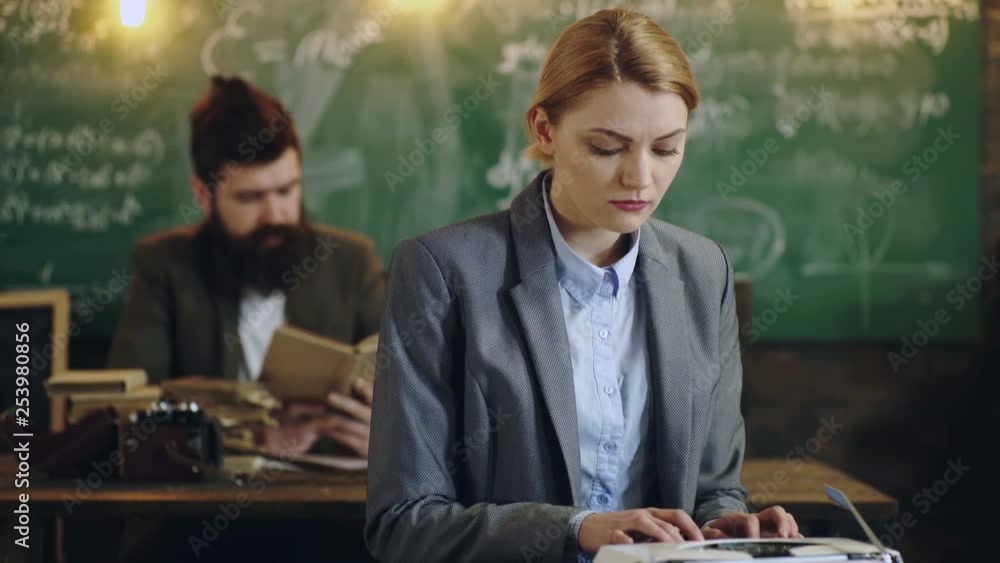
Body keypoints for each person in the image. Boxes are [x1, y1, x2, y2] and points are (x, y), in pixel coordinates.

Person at [365, 8, 799, 562]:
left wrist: (728, 526)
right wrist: (575, 528)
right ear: (544, 130)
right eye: (607, 147)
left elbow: (713, 488)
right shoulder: (442, 271)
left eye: (666, 148)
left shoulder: (703, 271)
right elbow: (403, 523)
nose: (641, 178)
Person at [107, 75, 384, 459]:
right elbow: (129, 411)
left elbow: (417, 399)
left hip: (325, 506)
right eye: (251, 197)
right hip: (201, 504)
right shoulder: (165, 268)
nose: (275, 214)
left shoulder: (351, 263)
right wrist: (248, 436)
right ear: (204, 194)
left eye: (287, 190)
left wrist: (387, 434)